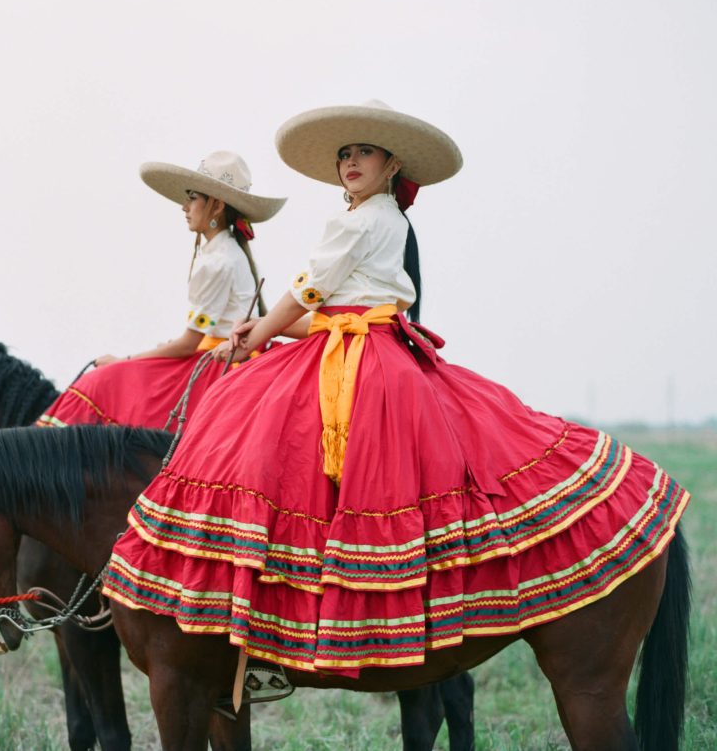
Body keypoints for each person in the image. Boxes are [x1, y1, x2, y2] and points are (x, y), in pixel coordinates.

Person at [101, 100, 689, 678]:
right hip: (356, 340)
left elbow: (308, 289)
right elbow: (332, 310)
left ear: (392, 165)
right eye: (345, 154)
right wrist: (264, 329)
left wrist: (258, 337)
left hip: (366, 359)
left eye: (366, 152)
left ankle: (279, 612)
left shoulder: (364, 217)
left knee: (266, 431)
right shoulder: (381, 218)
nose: (352, 161)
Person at [37, 151, 285, 430]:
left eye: (192, 197)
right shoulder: (227, 253)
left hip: (216, 364)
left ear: (216, 206)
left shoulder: (217, 261)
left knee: (101, 382)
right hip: (222, 356)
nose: (184, 206)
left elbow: (188, 344)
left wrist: (124, 360)